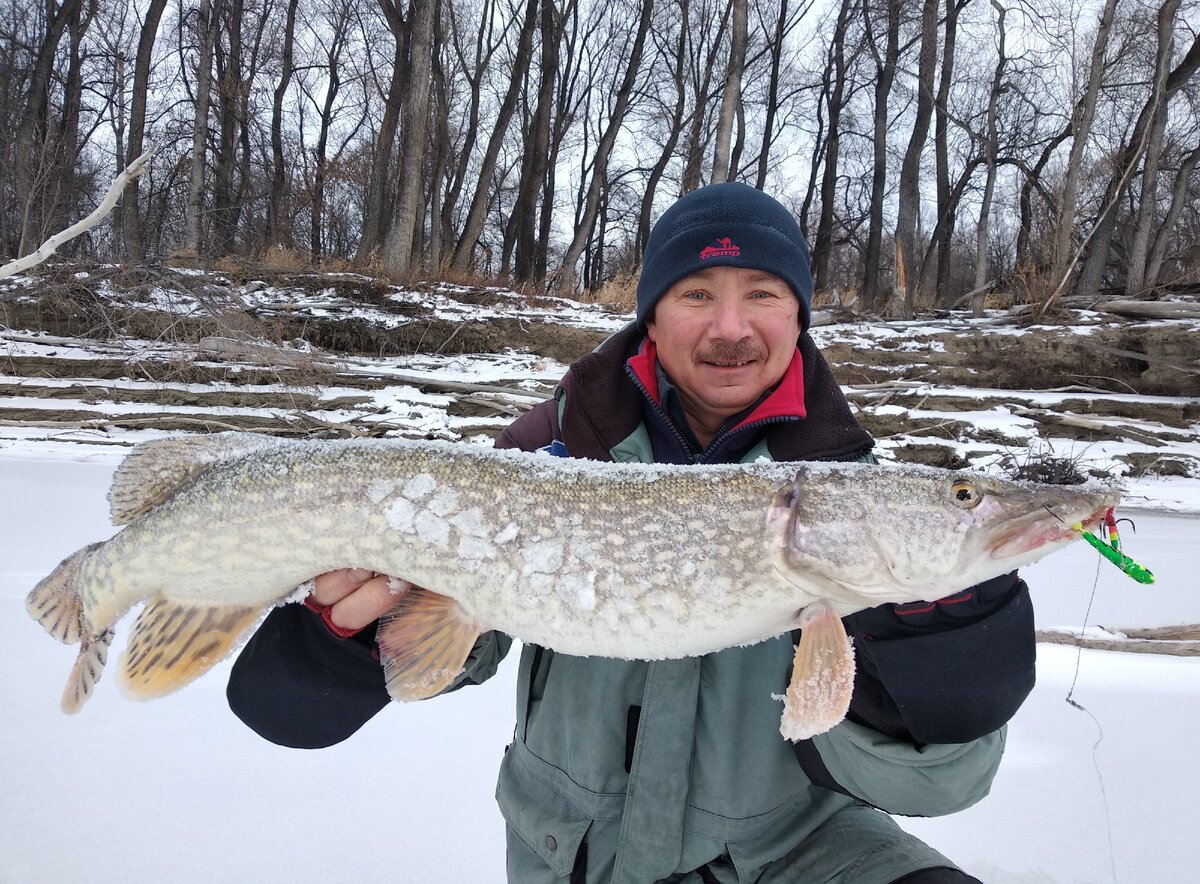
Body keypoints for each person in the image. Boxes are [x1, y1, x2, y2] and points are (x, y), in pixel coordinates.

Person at [227, 182, 1035, 883]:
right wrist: (333, 648)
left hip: (795, 855)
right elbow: (429, 650)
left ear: (798, 315)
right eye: (694, 294)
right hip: (576, 855)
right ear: (651, 315)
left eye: (762, 292)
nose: (730, 328)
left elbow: (940, 790)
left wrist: (947, 680)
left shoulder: (857, 492)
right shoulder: (547, 453)